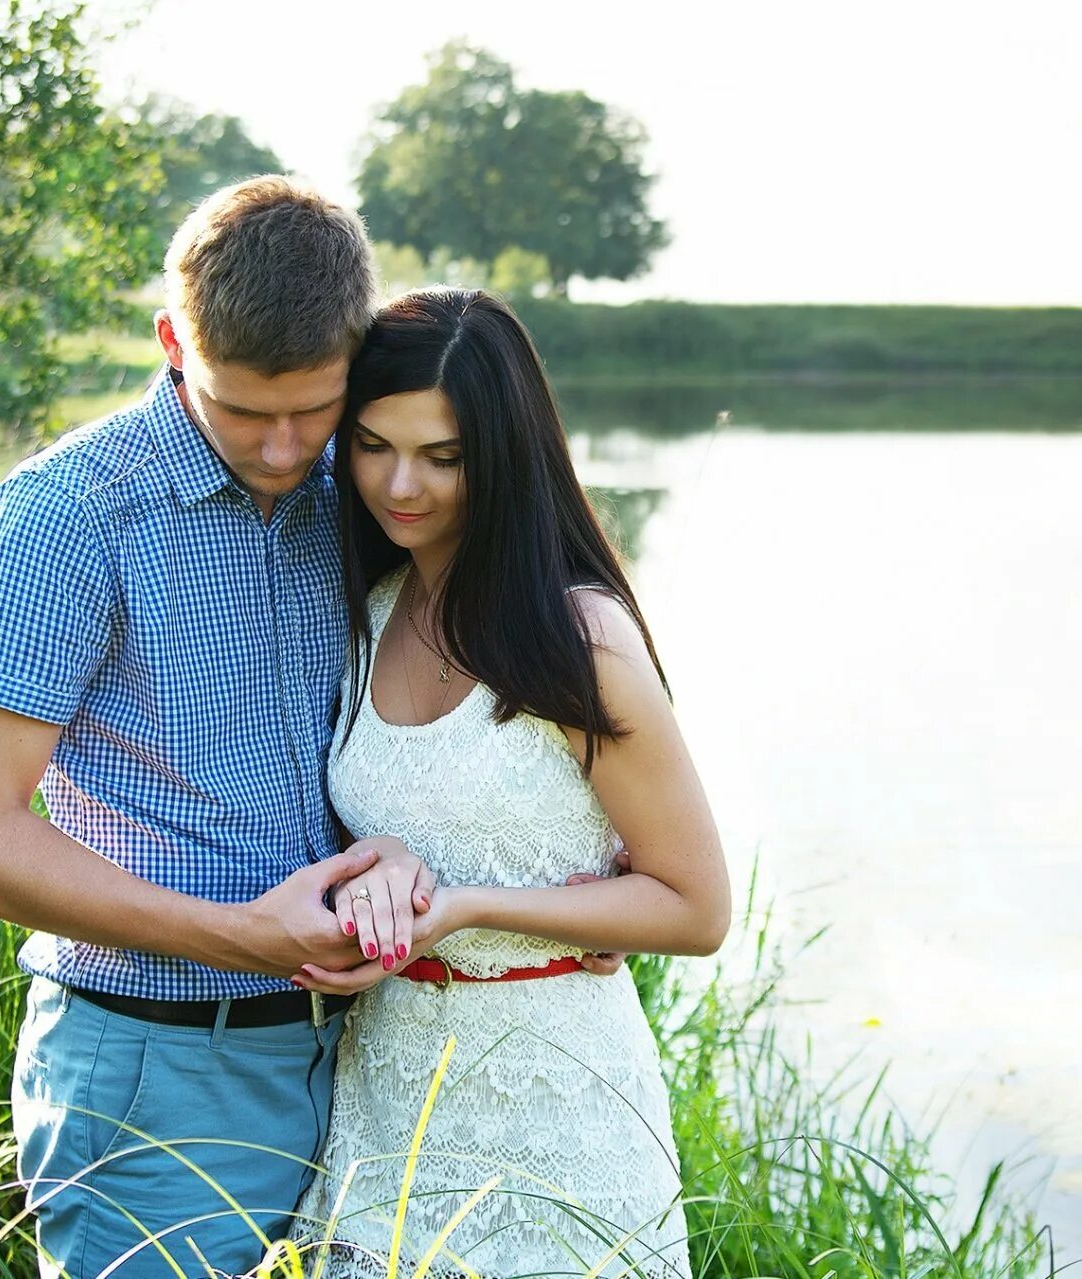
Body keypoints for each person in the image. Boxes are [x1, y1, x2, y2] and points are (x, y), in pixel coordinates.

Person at [0, 176, 457, 1277]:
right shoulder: (67, 517)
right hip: (151, 1077)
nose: (280, 447)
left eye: (312, 408)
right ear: (172, 343)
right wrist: (237, 937)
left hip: (360, 1067)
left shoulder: (354, 489)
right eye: (242, 410)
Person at [285, 289, 731, 1278]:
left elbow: (698, 906)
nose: (402, 484)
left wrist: (467, 905)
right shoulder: (370, 605)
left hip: (558, 1103)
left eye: (445, 456)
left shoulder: (579, 639)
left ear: (506, 453)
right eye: (372, 444)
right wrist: (385, 866)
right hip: (386, 1096)